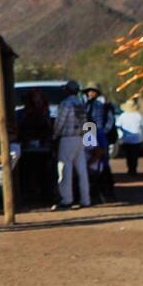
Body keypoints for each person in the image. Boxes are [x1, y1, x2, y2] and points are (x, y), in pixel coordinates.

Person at [51, 79, 90, 210]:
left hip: (67, 139)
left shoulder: (66, 104)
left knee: (65, 169)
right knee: (82, 170)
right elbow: (86, 123)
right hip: (80, 138)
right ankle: (86, 199)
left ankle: (66, 199)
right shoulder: (80, 104)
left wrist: (55, 135)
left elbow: (60, 122)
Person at [81, 83, 116, 203]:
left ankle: (107, 189)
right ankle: (93, 191)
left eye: (93, 91)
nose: (91, 94)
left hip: (99, 133)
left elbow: (110, 120)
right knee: (90, 158)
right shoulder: (84, 106)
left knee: (103, 160)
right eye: (89, 91)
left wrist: (103, 131)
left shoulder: (102, 106)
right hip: (89, 132)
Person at [116, 96, 143, 176]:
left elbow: (118, 126)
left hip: (126, 139)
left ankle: (130, 169)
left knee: (128, 155)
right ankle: (133, 169)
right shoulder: (138, 115)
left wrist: (120, 137)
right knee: (134, 155)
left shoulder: (122, 116)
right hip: (136, 139)